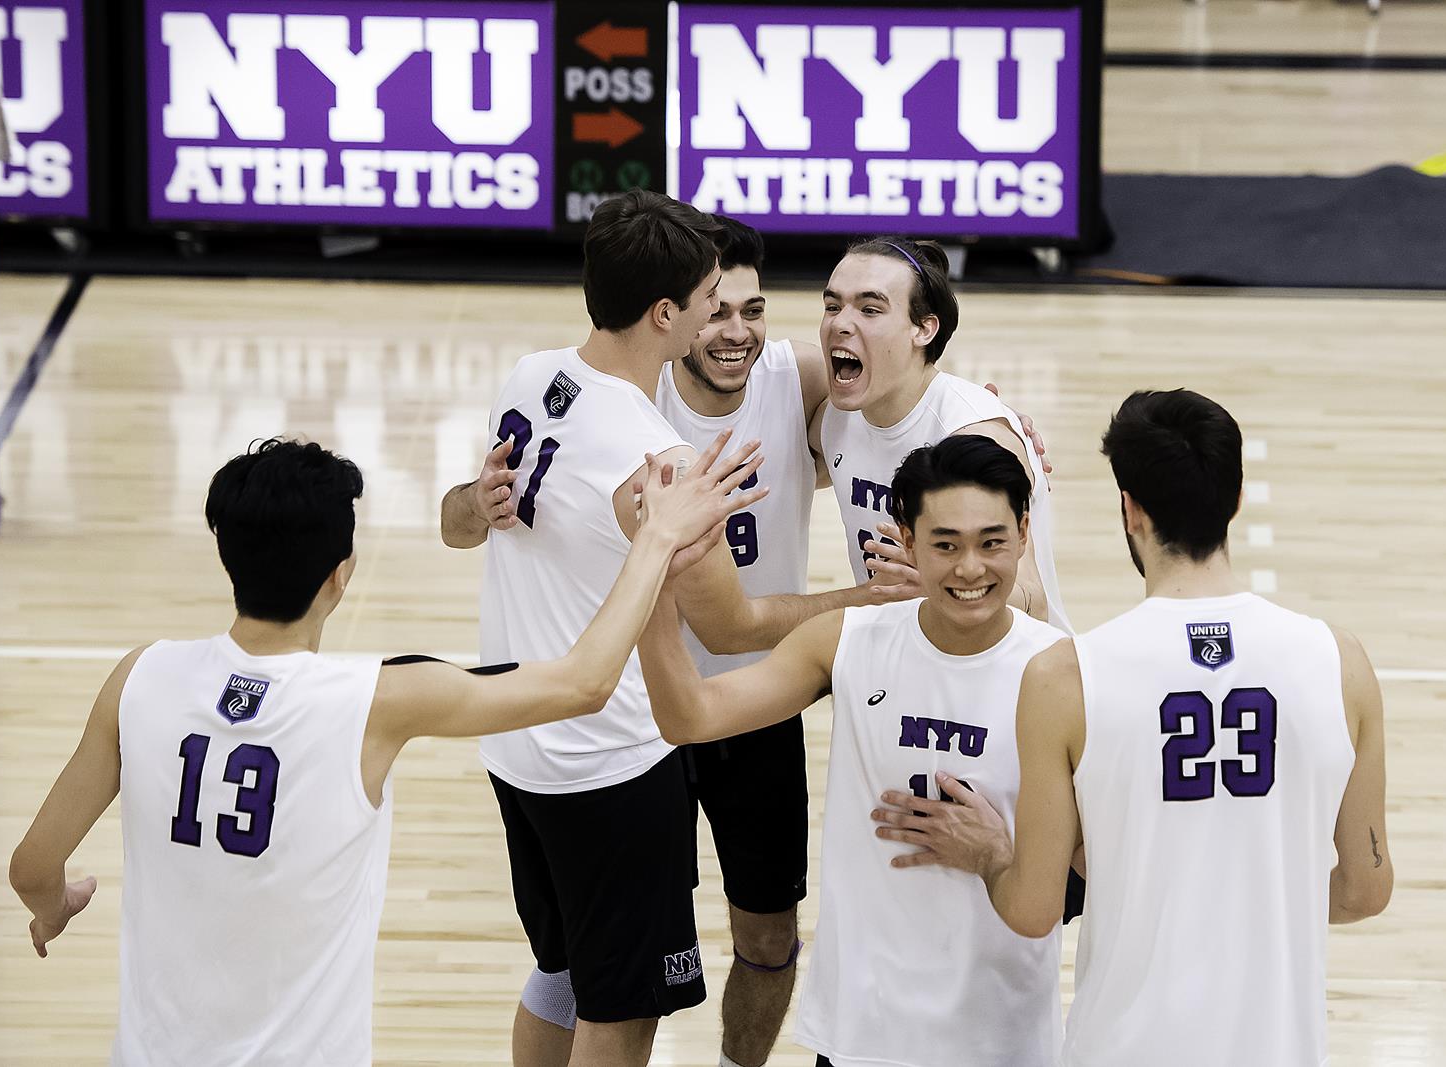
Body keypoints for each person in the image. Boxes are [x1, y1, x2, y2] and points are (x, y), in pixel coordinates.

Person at [8, 433, 761, 1067]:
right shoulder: (374, 699)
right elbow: (586, 681)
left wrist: (57, 904)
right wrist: (657, 537)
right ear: (342, 575)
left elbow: (33, 867)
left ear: (226, 555)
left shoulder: (139, 676)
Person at [438, 191, 894, 1067]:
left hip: (522, 741)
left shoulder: (533, 376)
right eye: (703, 300)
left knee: (565, 972)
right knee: (623, 1010)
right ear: (666, 313)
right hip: (614, 755)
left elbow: (473, 518)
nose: (721, 318)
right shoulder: (661, 461)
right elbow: (727, 625)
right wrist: (867, 603)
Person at [872, 389, 1394, 1067]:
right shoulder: (1341, 661)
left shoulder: (1064, 677)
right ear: (1234, 501)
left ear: (1131, 509)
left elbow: (1034, 907)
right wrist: (1263, 897)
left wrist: (990, 852)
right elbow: (1365, 887)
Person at [639, 435, 1070, 1067]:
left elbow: (1103, 861)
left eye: (992, 542)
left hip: (1003, 1039)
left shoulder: (1061, 672)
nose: (970, 568)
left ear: (1025, 532)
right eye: (945, 544)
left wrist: (996, 855)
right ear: (907, 537)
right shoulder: (849, 640)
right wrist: (656, 577)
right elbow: (690, 716)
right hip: (864, 1033)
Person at [651, 214, 829, 1067]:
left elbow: (925, 385)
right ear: (676, 313)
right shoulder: (629, 397)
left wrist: (1003, 423)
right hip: (644, 712)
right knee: (629, 951)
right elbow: (458, 521)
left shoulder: (794, 377)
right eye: (717, 312)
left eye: (752, 311)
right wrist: (477, 501)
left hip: (759, 704)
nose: (737, 333)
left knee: (768, 934)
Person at [812, 235, 1072, 632]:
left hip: (1010, 674)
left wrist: (936, 586)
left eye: (869, 309)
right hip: (911, 654)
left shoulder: (974, 437)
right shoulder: (835, 417)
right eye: (833, 306)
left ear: (923, 329)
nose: (840, 323)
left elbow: (1033, 601)